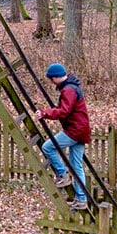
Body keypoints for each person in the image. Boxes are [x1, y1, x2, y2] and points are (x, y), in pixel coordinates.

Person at [35, 63, 90, 211]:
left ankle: (62, 173)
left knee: (47, 147)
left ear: (55, 77)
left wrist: (45, 113)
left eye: (51, 79)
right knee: (77, 165)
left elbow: (64, 111)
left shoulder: (69, 90)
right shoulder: (71, 87)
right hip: (81, 130)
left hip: (75, 130)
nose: (51, 82)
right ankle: (81, 198)